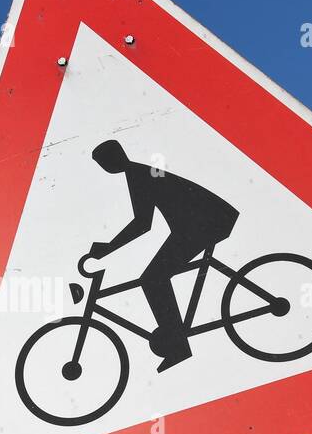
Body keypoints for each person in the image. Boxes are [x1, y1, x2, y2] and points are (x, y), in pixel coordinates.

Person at [88, 139, 240, 371]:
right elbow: (144, 222)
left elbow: (142, 224)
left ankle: (178, 347)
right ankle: (176, 339)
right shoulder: (138, 172)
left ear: (113, 158)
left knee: (152, 279)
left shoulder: (138, 175)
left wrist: (108, 248)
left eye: (104, 162)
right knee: (155, 276)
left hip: (205, 224)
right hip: (201, 223)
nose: (106, 167)